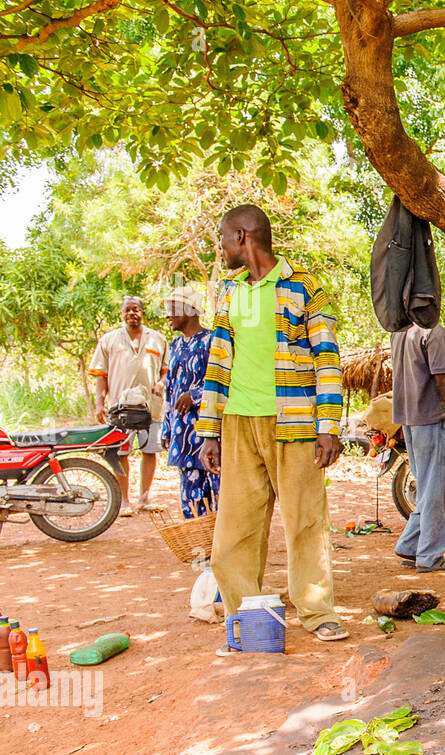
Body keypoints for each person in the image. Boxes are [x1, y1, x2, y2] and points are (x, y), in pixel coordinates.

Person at [197, 204, 347, 643]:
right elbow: (218, 363)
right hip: (239, 424)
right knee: (235, 529)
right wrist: (209, 431)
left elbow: (327, 359)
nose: (221, 249)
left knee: (305, 522)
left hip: (295, 423)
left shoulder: (304, 287)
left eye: (224, 239)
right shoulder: (229, 290)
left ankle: (318, 613)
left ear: (243, 237)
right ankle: (243, 614)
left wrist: (329, 425)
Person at [391, 321, 445, 571]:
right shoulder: (432, 331)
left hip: (409, 420)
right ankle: (431, 556)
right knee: (438, 491)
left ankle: (410, 545)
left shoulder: (399, 331)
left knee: (426, 487)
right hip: (431, 419)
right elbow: (443, 383)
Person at [90, 295, 167, 516]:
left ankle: (144, 498)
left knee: (150, 451)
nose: (131, 313)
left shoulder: (157, 339)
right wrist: (99, 404)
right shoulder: (109, 340)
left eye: (136, 309)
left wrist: (161, 383)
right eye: (127, 310)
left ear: (143, 312)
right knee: (121, 453)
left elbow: (166, 369)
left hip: (150, 407)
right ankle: (123, 502)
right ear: (122, 314)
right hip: (120, 408)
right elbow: (101, 375)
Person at [159, 286, 219, 517]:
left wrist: (193, 395)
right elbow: (170, 390)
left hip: (209, 433)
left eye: (172, 307)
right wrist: (166, 428)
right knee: (192, 498)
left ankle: (223, 550)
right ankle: (200, 549)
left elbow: (223, 383)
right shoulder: (175, 345)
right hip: (182, 433)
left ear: (192, 309)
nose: (167, 314)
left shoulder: (211, 340)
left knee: (220, 493)